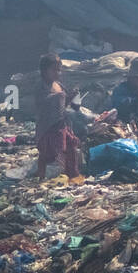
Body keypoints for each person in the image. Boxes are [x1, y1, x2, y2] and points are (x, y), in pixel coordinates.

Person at [37, 53, 84, 182]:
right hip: (48, 128)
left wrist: (71, 96)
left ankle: (71, 176)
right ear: (44, 71)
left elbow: (63, 105)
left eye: (59, 69)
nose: (58, 73)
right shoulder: (41, 87)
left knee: (70, 149)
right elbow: (44, 105)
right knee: (52, 154)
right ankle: (48, 180)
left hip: (62, 125)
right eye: (54, 70)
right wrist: (60, 96)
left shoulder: (58, 85)